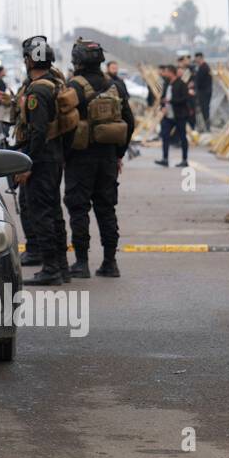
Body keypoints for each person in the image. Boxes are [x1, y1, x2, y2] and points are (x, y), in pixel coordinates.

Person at [63, 40, 135, 279]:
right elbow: (129, 122)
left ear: (77, 61)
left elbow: (64, 125)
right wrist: (118, 154)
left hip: (79, 159)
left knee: (78, 208)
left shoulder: (73, 86)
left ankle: (81, 263)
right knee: (106, 209)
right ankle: (110, 262)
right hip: (107, 159)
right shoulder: (116, 86)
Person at [13, 36, 70, 286]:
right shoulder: (56, 84)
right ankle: (61, 266)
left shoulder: (37, 91)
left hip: (41, 160)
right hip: (54, 157)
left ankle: (50, 269)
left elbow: (37, 132)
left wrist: (27, 165)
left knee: (42, 214)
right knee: (54, 213)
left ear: (29, 60)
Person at [156, 65, 192, 168]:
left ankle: (184, 160)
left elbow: (184, 99)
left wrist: (170, 101)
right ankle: (165, 158)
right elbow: (162, 97)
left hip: (180, 115)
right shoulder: (167, 84)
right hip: (168, 115)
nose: (164, 74)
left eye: (166, 72)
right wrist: (162, 106)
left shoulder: (182, 84)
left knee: (182, 136)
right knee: (164, 135)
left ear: (171, 72)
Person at [193, 52, 213, 132]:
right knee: (203, 109)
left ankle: (207, 127)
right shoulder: (201, 67)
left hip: (204, 92)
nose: (195, 60)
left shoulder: (204, 67)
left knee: (205, 109)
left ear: (200, 58)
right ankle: (204, 126)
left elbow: (199, 80)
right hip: (202, 92)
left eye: (196, 58)